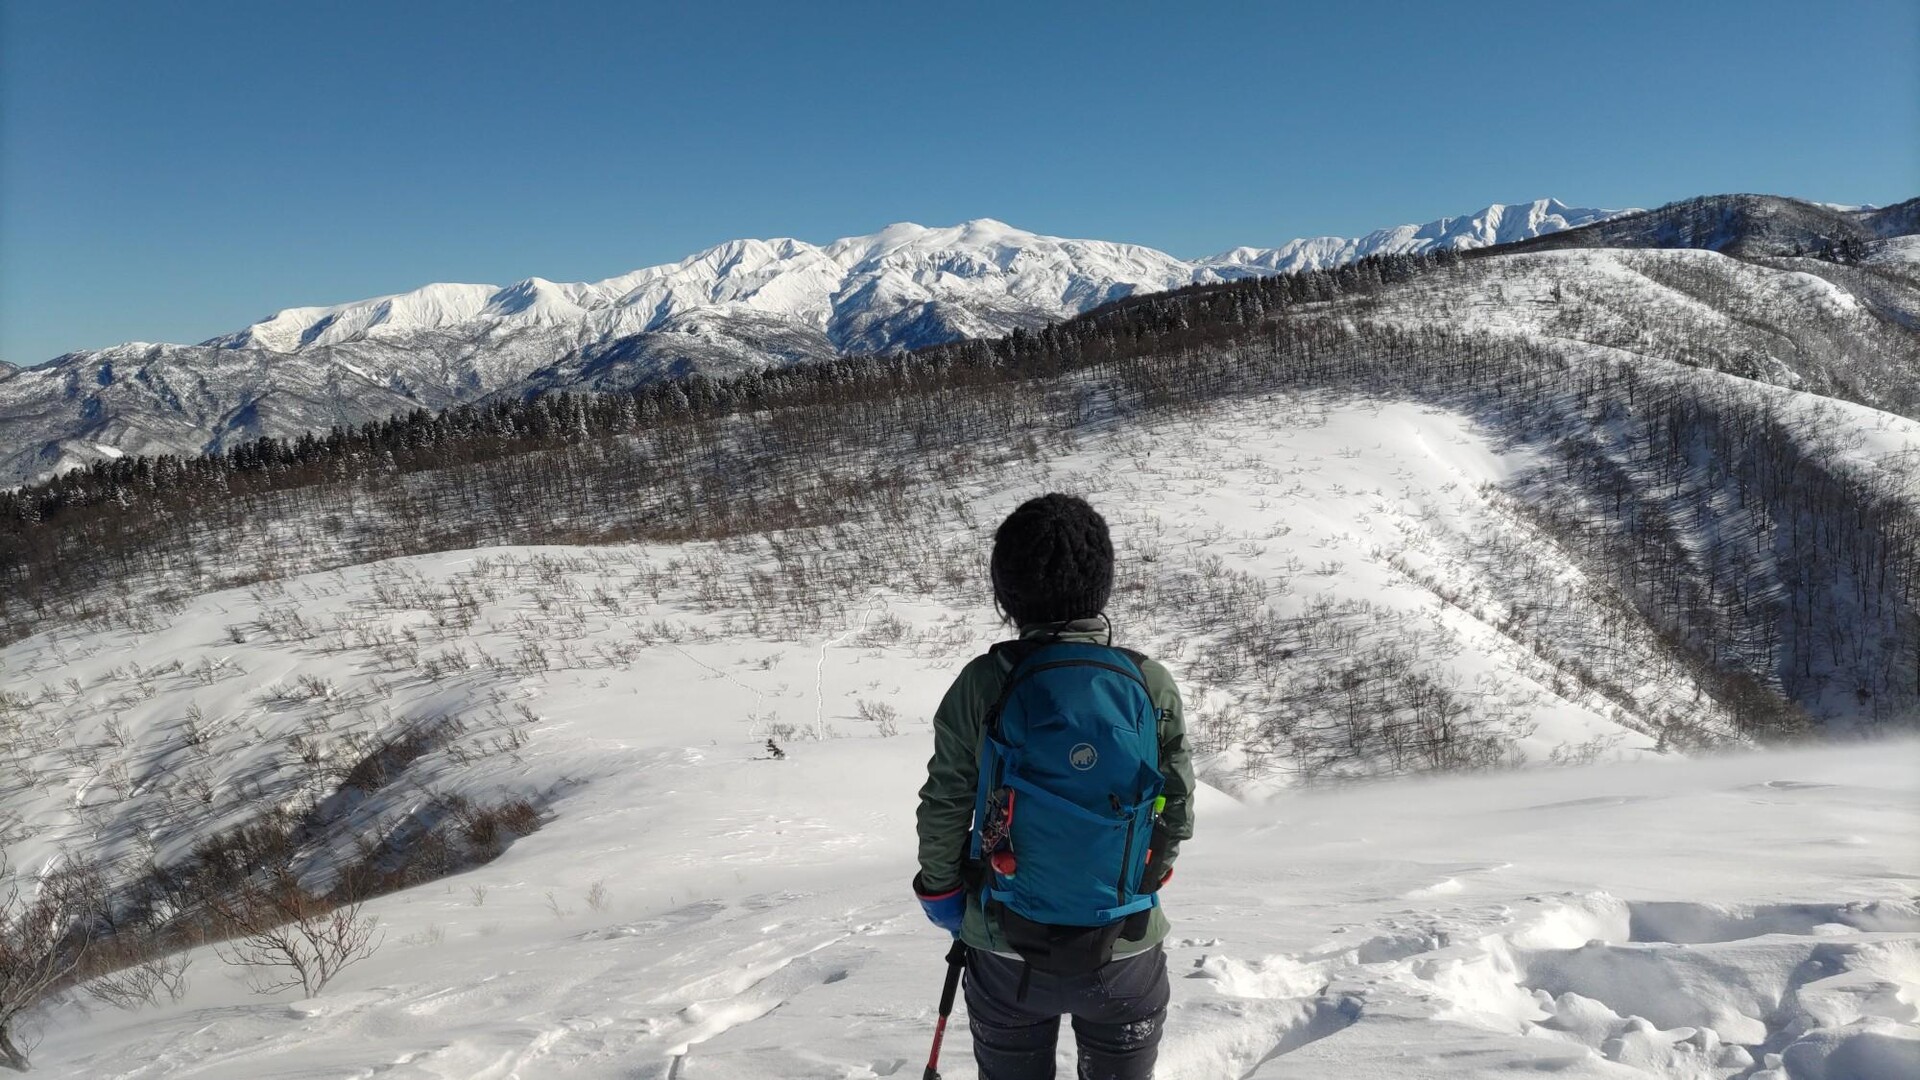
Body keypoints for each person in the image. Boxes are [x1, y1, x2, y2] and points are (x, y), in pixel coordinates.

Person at [913, 493, 1194, 1080]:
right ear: (1101, 585)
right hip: (1126, 948)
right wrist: (1148, 873)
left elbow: (946, 802)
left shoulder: (982, 682)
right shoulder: (1149, 681)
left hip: (1003, 949)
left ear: (1007, 592)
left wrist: (944, 896)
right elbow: (1177, 805)